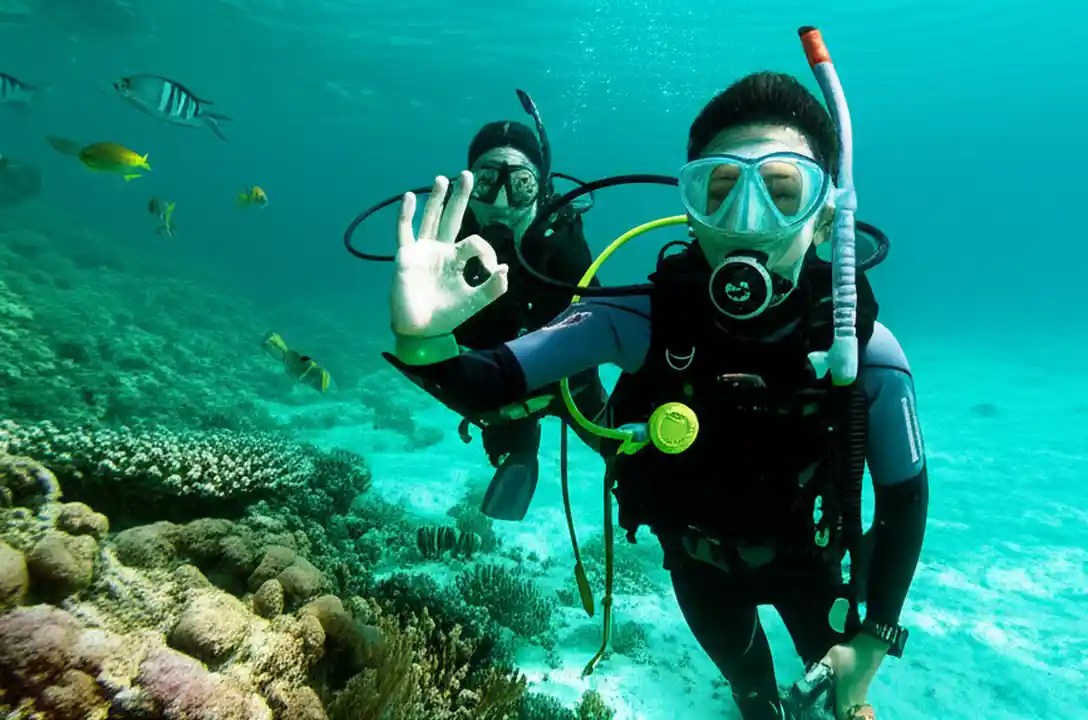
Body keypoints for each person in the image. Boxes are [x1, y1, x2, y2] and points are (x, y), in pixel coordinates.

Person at [381, 61, 928, 720]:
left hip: (813, 567)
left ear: (823, 219)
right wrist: (424, 342)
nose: (747, 219)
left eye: (783, 190)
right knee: (752, 691)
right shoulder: (637, 317)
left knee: (843, 701)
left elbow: (904, 495)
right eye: (719, 188)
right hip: (698, 569)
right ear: (690, 209)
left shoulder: (864, 352)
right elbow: (492, 381)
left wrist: (874, 638)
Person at [448, 111, 611, 521]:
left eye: (520, 185)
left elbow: (597, 330)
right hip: (495, 376)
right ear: (467, 187)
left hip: (569, 380)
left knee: (625, 446)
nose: (501, 203)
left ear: (539, 189)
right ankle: (520, 446)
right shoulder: (446, 237)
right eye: (486, 182)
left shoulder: (562, 240)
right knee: (507, 436)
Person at [261, 332, 332, 393]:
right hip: (299, 366)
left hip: (297, 367)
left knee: (284, 354)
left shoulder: (311, 376)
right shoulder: (317, 373)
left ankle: (272, 340)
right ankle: (272, 339)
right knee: (285, 353)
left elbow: (292, 372)